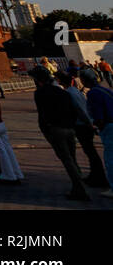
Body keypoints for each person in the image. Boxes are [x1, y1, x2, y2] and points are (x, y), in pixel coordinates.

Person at [31, 66, 88, 201]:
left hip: (55, 130)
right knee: (72, 159)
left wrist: (47, 130)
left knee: (67, 160)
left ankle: (79, 189)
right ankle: (78, 183)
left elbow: (43, 114)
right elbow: (74, 110)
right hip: (69, 128)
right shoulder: (62, 92)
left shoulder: (40, 93)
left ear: (38, 81)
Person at [58, 70, 110, 189]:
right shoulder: (77, 91)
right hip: (88, 124)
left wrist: (90, 123)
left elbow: (81, 110)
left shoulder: (72, 92)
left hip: (83, 125)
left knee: (91, 152)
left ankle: (99, 176)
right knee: (91, 152)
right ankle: (95, 174)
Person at [81, 69, 113, 199]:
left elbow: (98, 115)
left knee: (110, 159)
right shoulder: (106, 90)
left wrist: (97, 127)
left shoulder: (93, 93)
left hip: (108, 126)